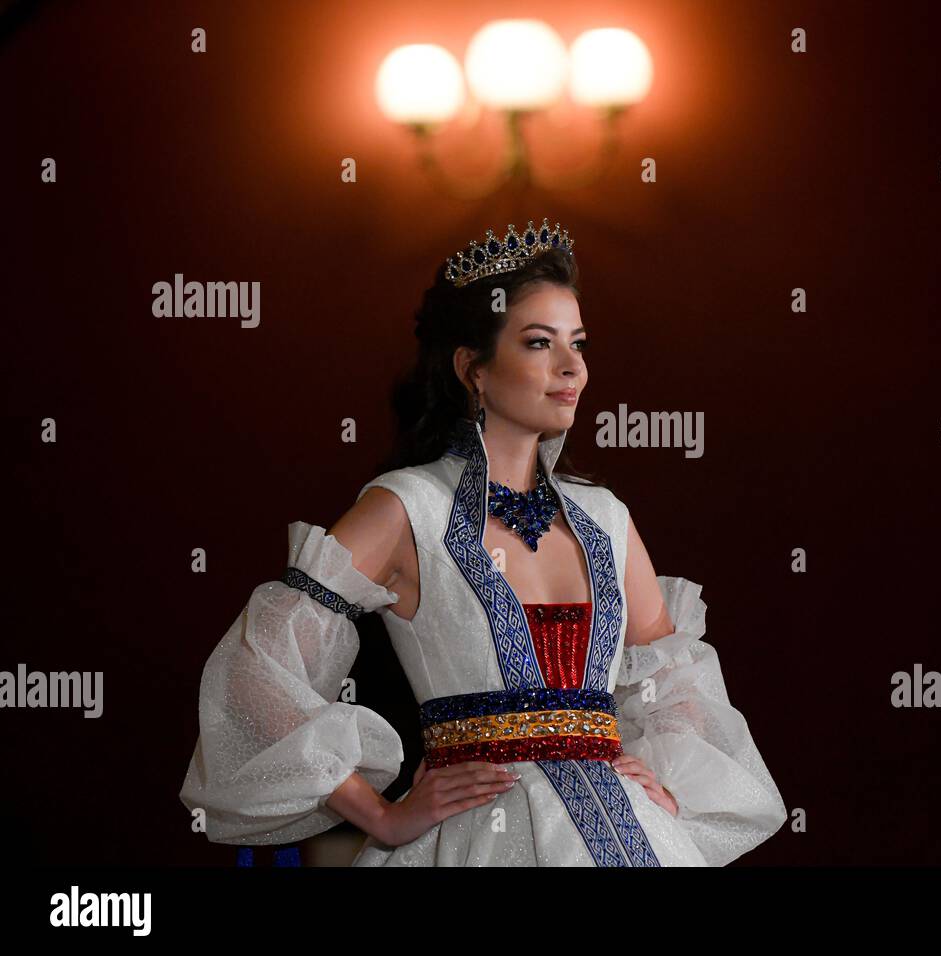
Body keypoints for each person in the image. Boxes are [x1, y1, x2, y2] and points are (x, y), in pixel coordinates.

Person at [178, 219, 787, 866]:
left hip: (633, 835)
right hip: (471, 840)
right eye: (537, 343)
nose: (572, 365)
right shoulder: (408, 506)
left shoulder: (606, 517)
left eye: (577, 343)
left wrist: (661, 779)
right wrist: (379, 814)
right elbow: (254, 676)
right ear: (473, 368)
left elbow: (674, 676)